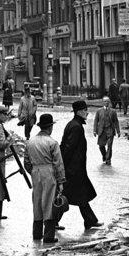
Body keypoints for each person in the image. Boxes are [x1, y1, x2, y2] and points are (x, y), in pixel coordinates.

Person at [58, 100, 101, 231]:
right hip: (74, 170)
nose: (87, 112)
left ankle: (90, 220)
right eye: (85, 110)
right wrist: (64, 167)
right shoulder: (76, 127)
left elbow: (64, 146)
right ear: (79, 112)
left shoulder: (73, 124)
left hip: (74, 168)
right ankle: (52, 220)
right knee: (69, 195)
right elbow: (69, 148)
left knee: (77, 195)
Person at [23, 113, 66, 243]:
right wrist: (61, 181)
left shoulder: (30, 142)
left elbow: (26, 162)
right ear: (50, 128)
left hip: (36, 172)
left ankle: (36, 234)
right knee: (49, 203)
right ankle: (48, 236)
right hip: (49, 172)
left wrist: (34, 172)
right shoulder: (52, 142)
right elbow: (58, 164)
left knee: (37, 201)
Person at [93, 96, 120, 164]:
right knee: (101, 145)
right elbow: (96, 121)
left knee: (109, 146)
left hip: (110, 130)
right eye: (105, 101)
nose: (106, 102)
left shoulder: (113, 111)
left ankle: (108, 160)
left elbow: (116, 121)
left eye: (108, 101)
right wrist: (94, 130)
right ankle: (104, 156)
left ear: (109, 102)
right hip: (102, 131)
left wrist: (118, 131)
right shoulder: (99, 111)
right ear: (103, 102)